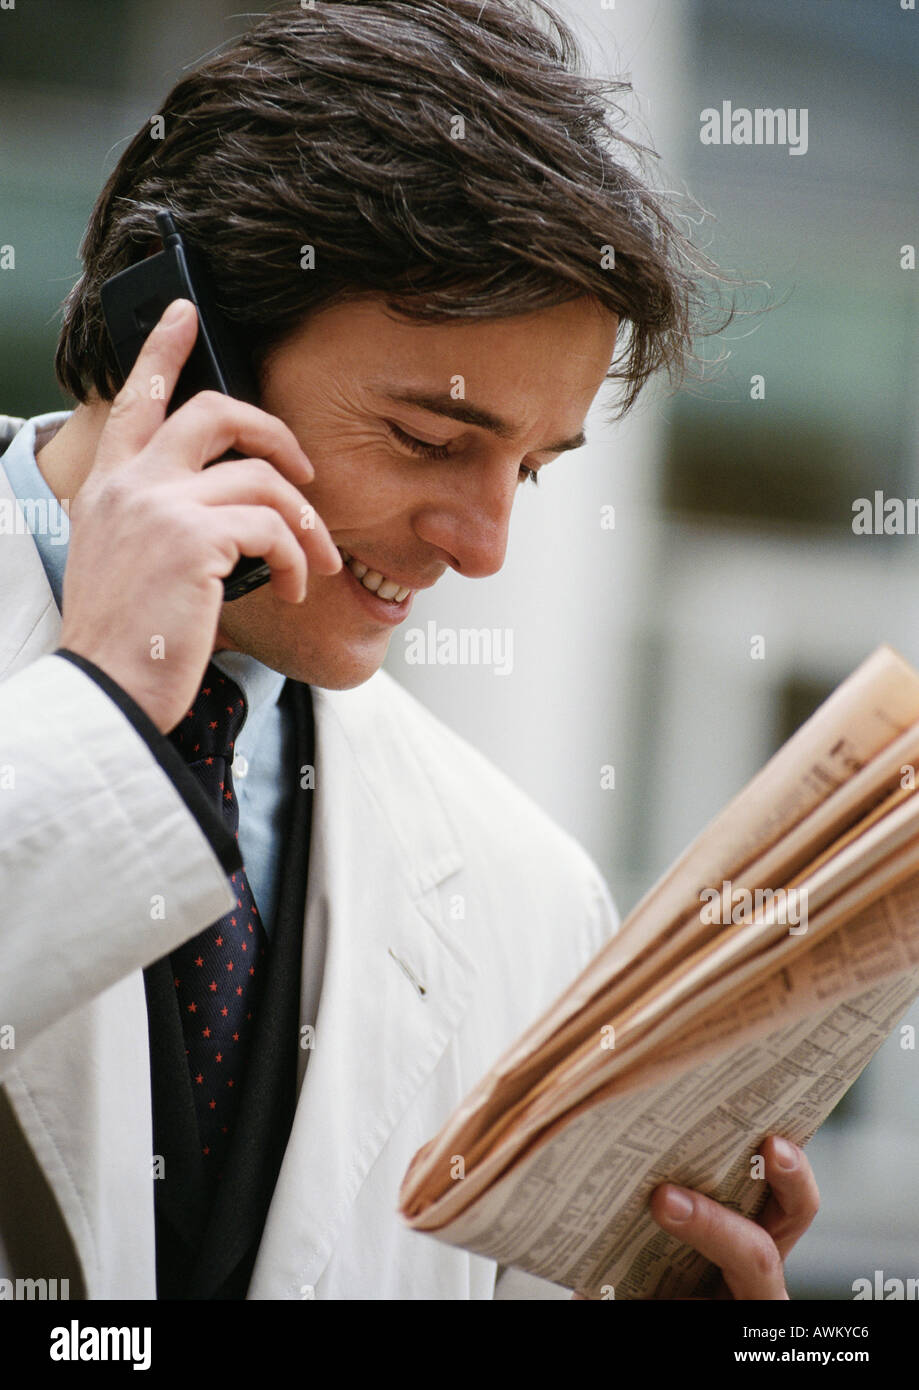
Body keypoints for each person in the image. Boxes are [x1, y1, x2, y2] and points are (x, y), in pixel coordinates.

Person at [0, 0, 818, 1300]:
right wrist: (99, 716)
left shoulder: (531, 901)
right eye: (434, 442)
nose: (484, 547)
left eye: (532, 472)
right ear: (174, 330)